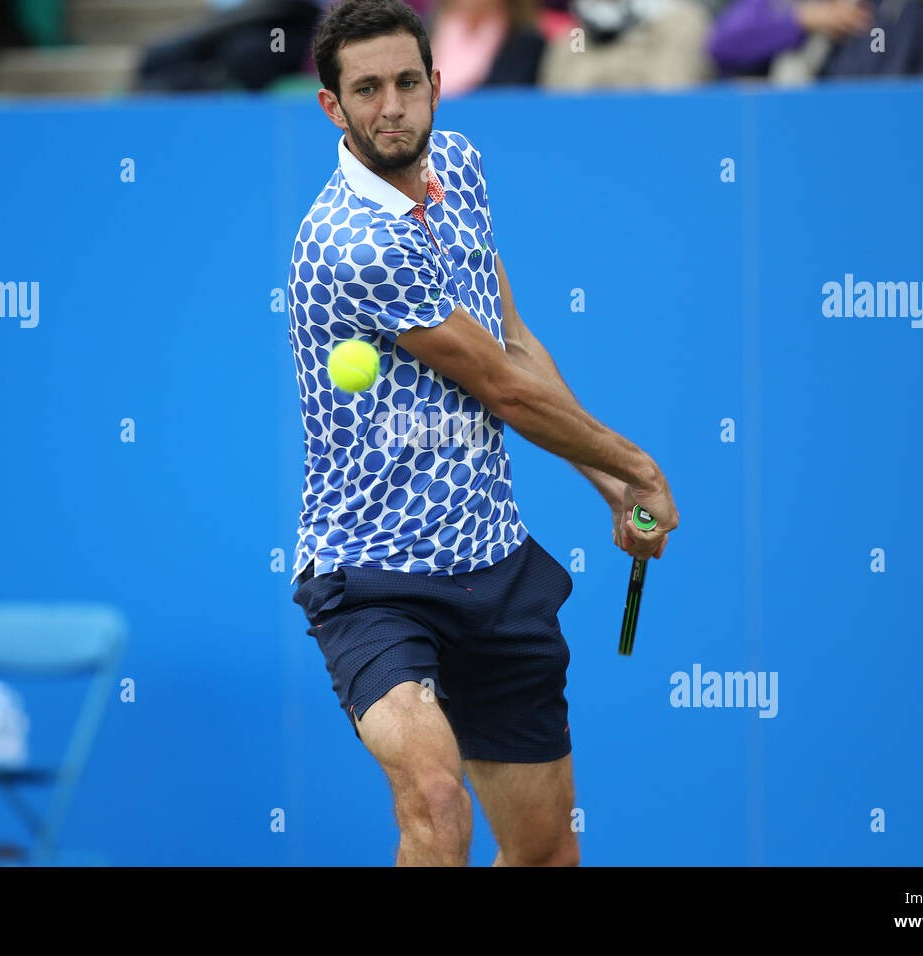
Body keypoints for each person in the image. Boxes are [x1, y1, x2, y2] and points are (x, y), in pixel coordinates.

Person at [286, 0, 679, 866]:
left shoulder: (458, 166)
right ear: (333, 107)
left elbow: (512, 338)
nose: (391, 105)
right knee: (434, 801)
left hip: (494, 568)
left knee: (544, 854)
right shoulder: (352, 243)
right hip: (373, 576)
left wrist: (607, 483)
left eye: (407, 82)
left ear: (436, 84)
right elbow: (501, 388)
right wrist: (639, 464)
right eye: (366, 89)